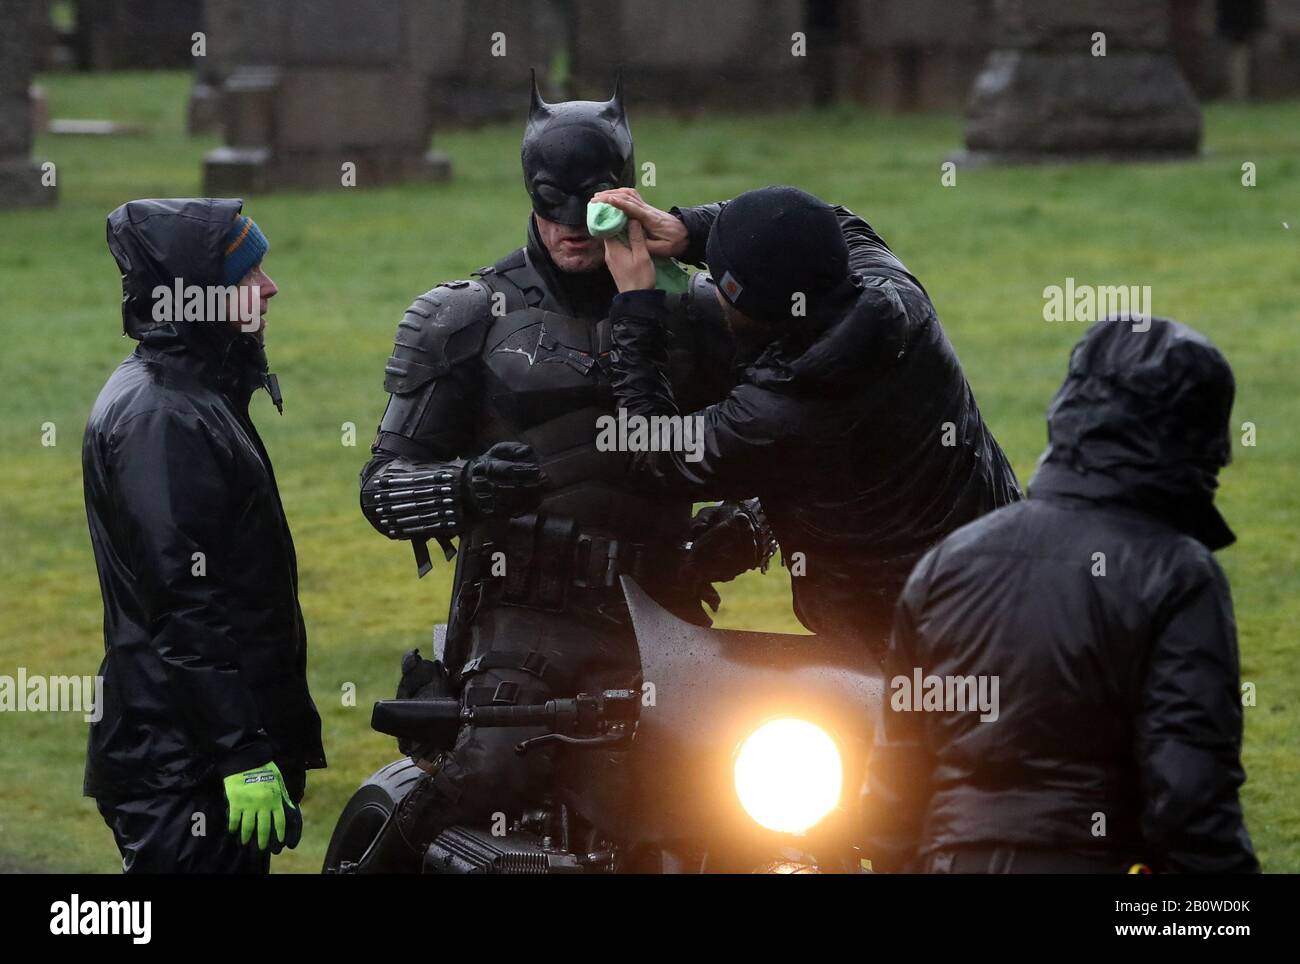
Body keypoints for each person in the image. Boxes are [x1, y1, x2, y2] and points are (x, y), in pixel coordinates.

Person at [352, 76, 759, 871]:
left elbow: (774, 443)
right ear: (528, 196)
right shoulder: (465, 315)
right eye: (553, 208)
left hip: (665, 617)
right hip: (521, 624)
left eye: (592, 209)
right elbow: (381, 489)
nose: (573, 230)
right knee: (488, 773)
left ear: (628, 194)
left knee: (735, 805)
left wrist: (748, 520)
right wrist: (461, 488)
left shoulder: (698, 314)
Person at [863, 316, 1260, 874]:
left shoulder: (949, 563)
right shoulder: (1176, 574)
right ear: (1196, 438)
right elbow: (1189, 800)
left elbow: (893, 792)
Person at [598, 185, 1021, 652]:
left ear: (747, 307)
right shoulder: (896, 294)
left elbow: (652, 452)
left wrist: (636, 309)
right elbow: (834, 220)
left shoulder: (782, 409)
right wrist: (691, 230)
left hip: (899, 639)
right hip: (1006, 578)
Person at [83, 198, 324, 873]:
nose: (270, 287)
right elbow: (182, 604)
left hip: (191, 750)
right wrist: (242, 753)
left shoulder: (195, 392)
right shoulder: (164, 418)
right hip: (180, 765)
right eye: (250, 275)